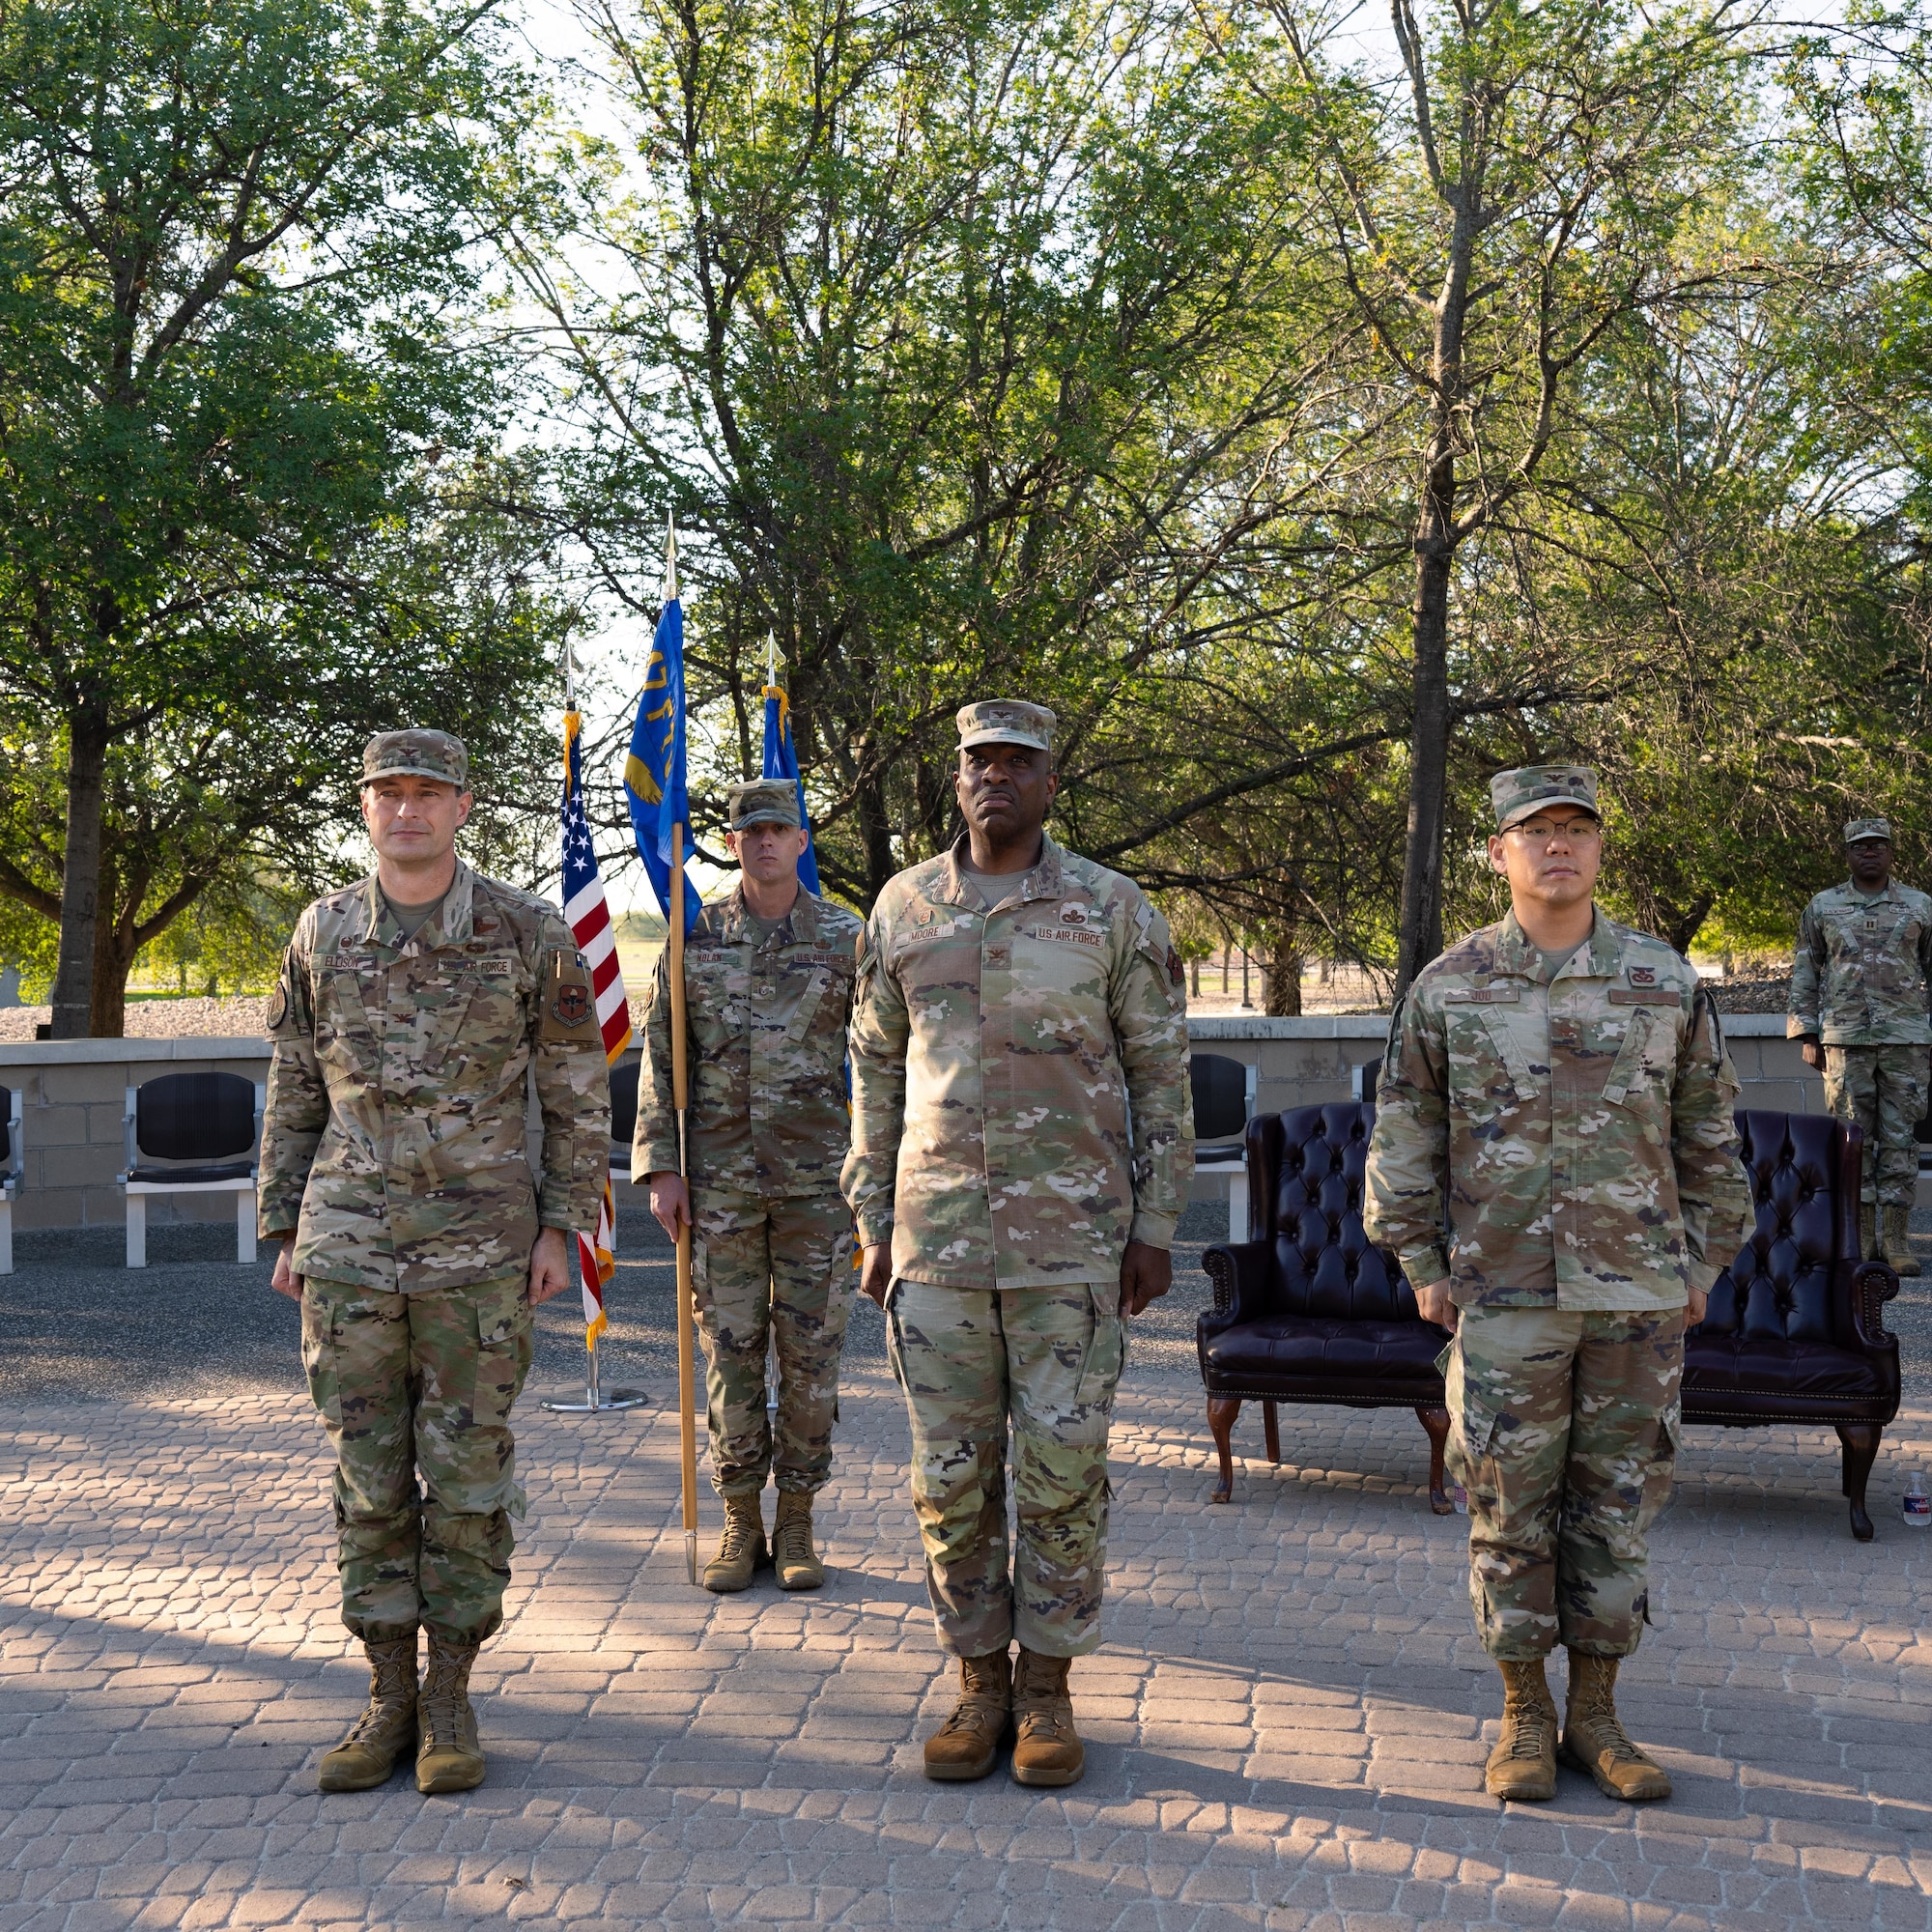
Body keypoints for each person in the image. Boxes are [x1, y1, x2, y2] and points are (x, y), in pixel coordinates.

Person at [1364, 765, 1752, 1805]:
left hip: (1634, 1296)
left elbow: (1709, 1135)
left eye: (1577, 828)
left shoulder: (1660, 980)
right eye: (1535, 831)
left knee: (1614, 1507)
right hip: (1504, 1300)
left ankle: (1597, 1713)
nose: (1558, 846)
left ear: (1597, 849)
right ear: (1496, 852)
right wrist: (1419, 1267)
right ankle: (1522, 1713)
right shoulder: (1449, 986)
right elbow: (1403, 1135)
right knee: (1505, 1508)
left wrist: (1702, 1264)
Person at [843, 700, 1194, 1789]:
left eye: (1018, 762)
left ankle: (1046, 1690)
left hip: (1071, 1249)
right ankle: (976, 1682)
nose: (995, 777)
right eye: (977, 762)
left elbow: (1160, 1076)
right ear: (955, 782)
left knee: (1060, 1476)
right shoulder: (903, 906)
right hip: (935, 1245)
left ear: (1050, 782)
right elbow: (870, 1071)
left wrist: (1153, 1224)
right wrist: (870, 1218)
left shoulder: (1109, 908)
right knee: (949, 1483)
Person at [260, 729, 610, 1797]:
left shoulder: (527, 931)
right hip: (352, 1248)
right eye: (387, 793)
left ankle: (452, 1687)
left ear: (463, 806)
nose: (405, 810)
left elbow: (576, 1092)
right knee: (368, 1479)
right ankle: (386, 1692)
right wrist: (283, 1228)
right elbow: (292, 1083)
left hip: (480, 1251)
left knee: (464, 1476)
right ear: (364, 809)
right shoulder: (321, 929)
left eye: (427, 793)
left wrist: (560, 1227)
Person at [636, 778, 865, 1592]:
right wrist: (662, 1167)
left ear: (802, 840)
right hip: (721, 1185)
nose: (766, 842)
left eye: (780, 829)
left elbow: (879, 1061)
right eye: (750, 832)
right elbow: (664, 1062)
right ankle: (740, 1520)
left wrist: (877, 1173)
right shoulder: (692, 936)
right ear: (732, 844)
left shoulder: (846, 936)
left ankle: (797, 1521)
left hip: (820, 1184)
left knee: (810, 1360)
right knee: (731, 1359)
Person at [1789, 816, 1932, 1276]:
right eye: (1860, 846)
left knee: (1900, 1141)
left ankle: (1895, 1241)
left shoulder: (1920, 906)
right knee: (1852, 1141)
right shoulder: (1823, 906)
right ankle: (1858, 1238)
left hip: (1905, 1041)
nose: (1870, 852)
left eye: (1878, 845)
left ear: (1892, 853)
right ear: (1847, 854)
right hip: (1845, 1040)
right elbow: (1806, 968)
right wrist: (1806, 1033)